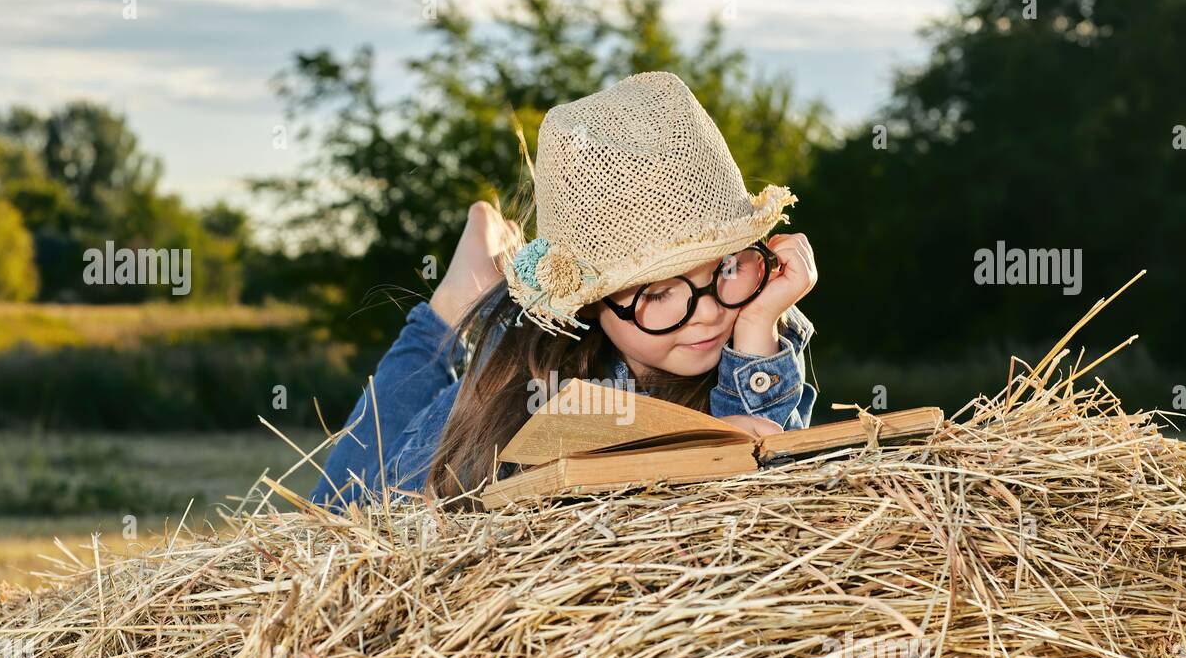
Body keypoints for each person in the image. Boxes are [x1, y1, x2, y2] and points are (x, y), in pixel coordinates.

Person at [310, 71, 819, 512]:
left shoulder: (763, 331)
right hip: (527, 352)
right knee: (340, 507)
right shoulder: (519, 380)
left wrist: (756, 328)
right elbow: (397, 511)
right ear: (593, 303)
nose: (707, 313)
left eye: (727, 267)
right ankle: (451, 309)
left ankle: (486, 287)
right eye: (659, 293)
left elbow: (776, 491)